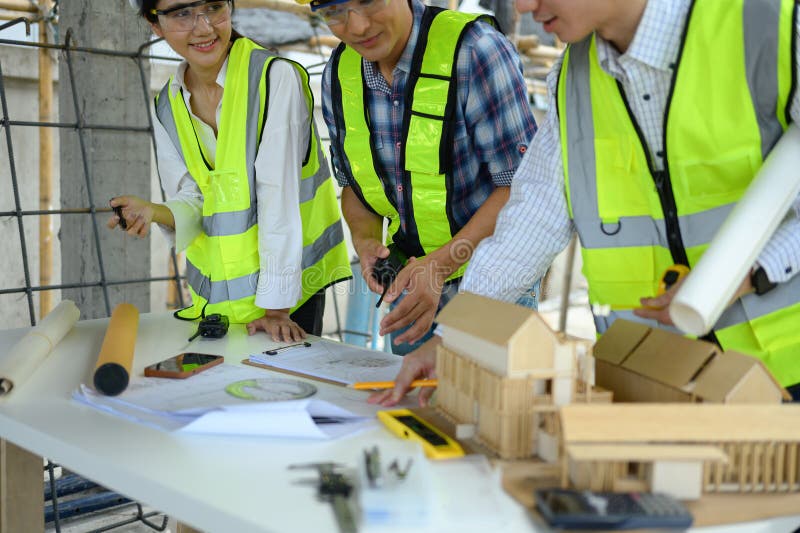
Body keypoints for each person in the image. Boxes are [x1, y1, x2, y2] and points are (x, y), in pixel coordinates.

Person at [376, 0, 800, 405]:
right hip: (651, 380)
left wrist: (747, 272)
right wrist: (454, 340)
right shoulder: (574, 77)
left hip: (783, 375)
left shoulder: (772, 27)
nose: (522, 6)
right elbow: (530, 222)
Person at [112, 0, 352, 343]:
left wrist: (277, 310)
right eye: (182, 13)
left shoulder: (275, 78)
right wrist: (154, 212)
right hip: (218, 302)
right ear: (155, 25)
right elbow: (196, 200)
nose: (204, 27)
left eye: (212, 7)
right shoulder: (168, 104)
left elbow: (277, 197)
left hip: (287, 297)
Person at [312, 0, 539, 354]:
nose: (356, 26)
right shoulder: (339, 73)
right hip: (410, 286)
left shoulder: (475, 51)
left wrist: (440, 265)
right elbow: (355, 187)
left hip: (494, 283)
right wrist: (366, 240)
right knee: (412, 405)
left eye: (369, 2)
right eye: (333, 12)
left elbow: (524, 189)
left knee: (490, 403)